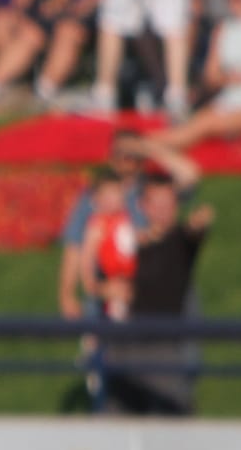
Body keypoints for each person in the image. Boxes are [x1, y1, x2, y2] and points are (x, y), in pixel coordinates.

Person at [57, 130, 199, 322]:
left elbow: (190, 174)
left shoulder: (154, 188)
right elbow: (75, 245)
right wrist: (67, 293)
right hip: (108, 292)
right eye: (120, 153)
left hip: (154, 287)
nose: (126, 158)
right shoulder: (93, 197)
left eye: (132, 153)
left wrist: (146, 148)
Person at [104, 174, 213, 415]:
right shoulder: (127, 243)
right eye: (157, 204)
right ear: (143, 206)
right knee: (116, 426)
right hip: (125, 344)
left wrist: (199, 222)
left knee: (171, 426)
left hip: (164, 348)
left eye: (169, 204)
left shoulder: (180, 241)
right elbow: (93, 278)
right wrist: (105, 288)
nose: (164, 211)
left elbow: (197, 224)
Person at [148, 0, 241, 154]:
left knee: (201, 125)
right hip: (231, 98)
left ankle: (140, 144)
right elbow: (211, 75)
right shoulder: (223, 29)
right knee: (196, 123)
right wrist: (227, 79)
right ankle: (142, 143)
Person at [79, 168, 137, 322]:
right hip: (109, 286)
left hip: (130, 284)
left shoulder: (129, 219)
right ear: (96, 199)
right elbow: (87, 261)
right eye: (105, 195)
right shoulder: (97, 226)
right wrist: (96, 287)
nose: (111, 199)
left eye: (115, 193)